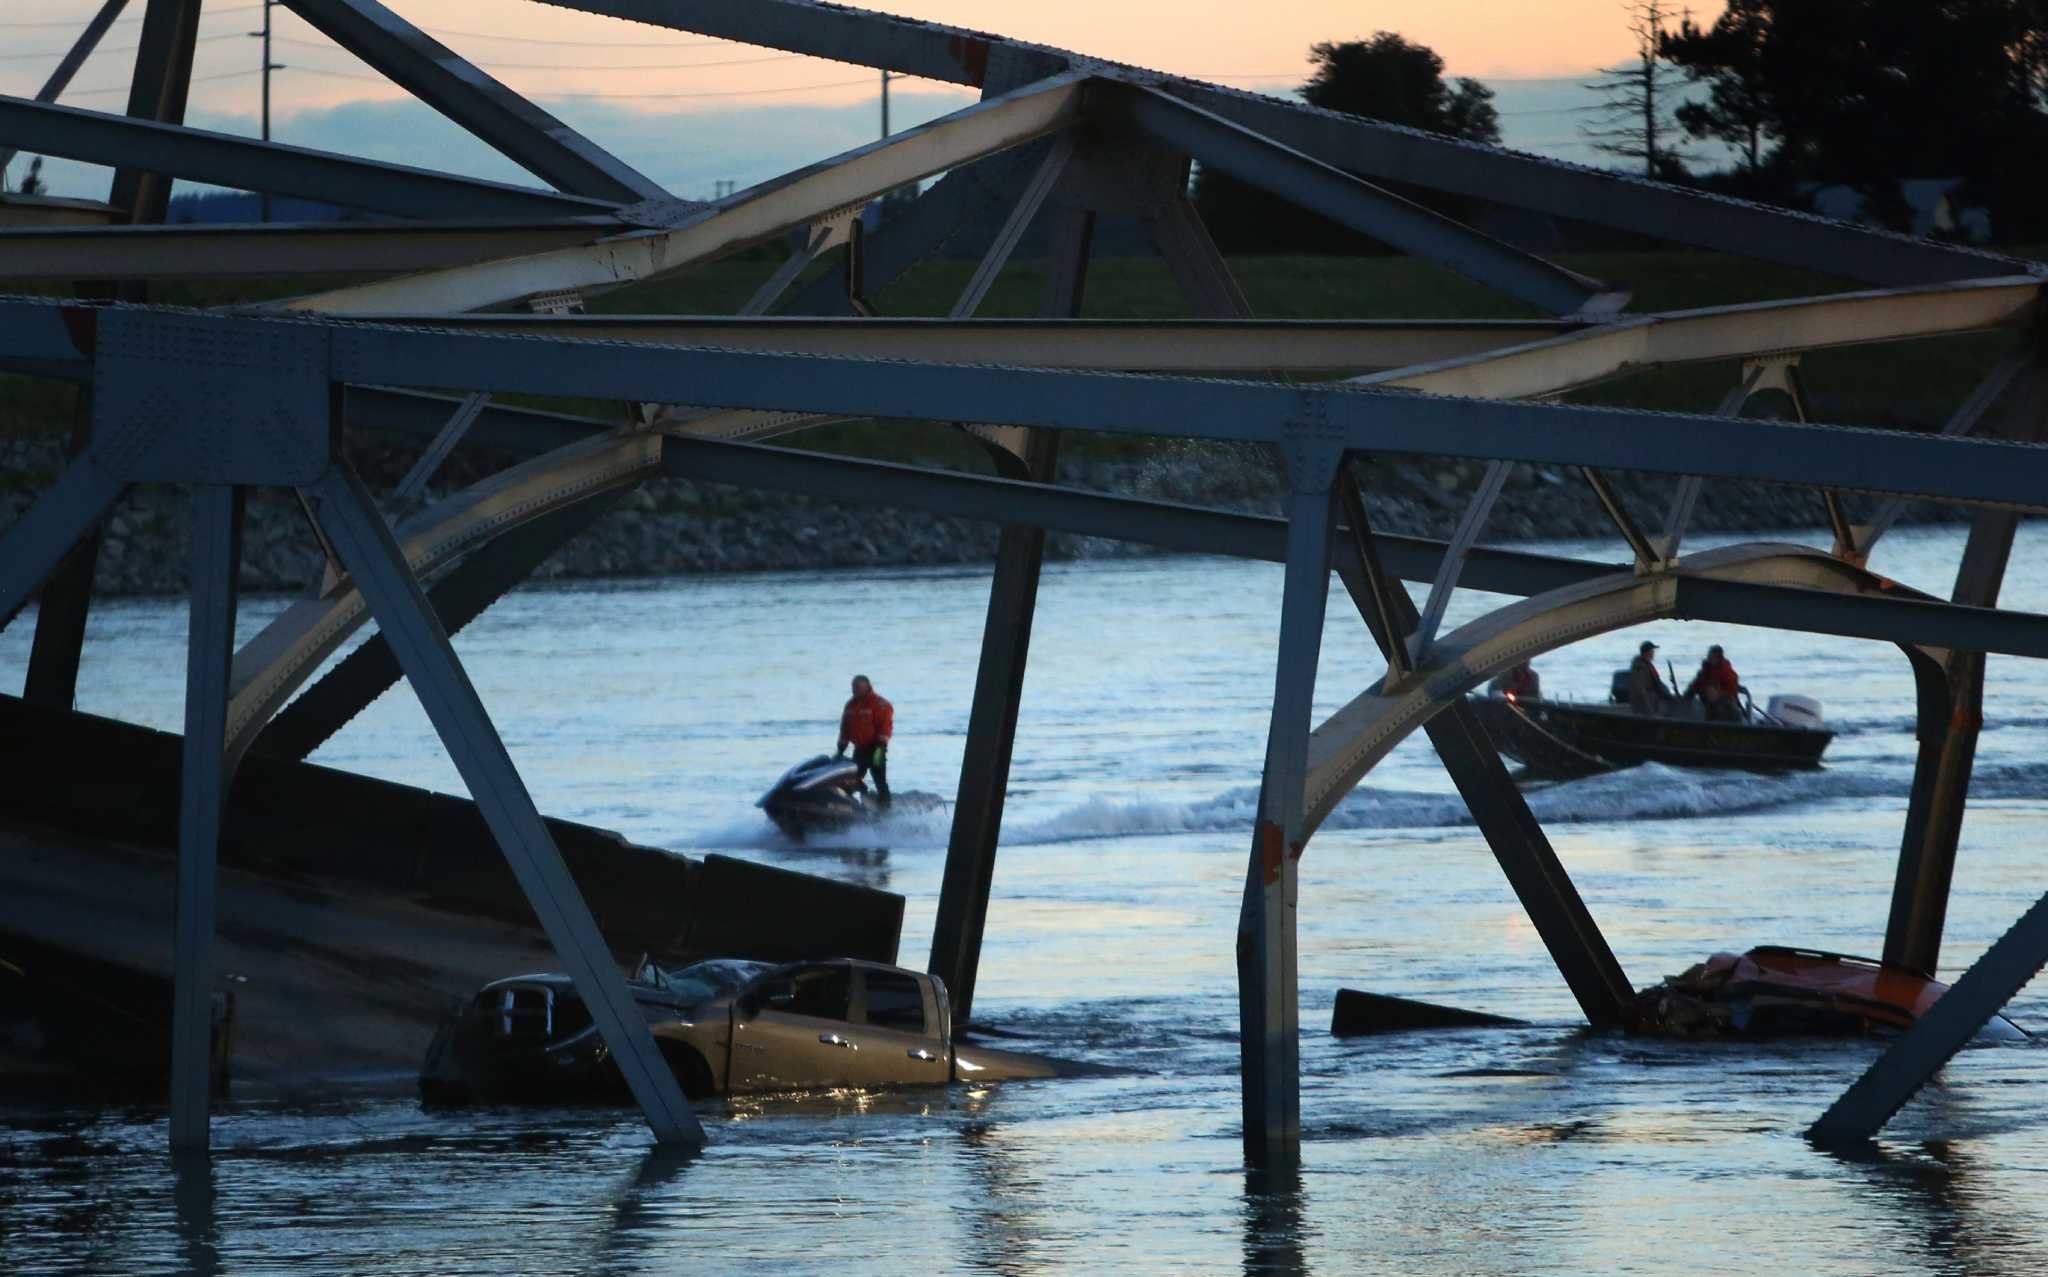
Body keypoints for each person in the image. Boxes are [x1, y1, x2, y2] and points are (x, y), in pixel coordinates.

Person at [835, 674, 893, 808]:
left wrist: (880, 748)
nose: (854, 690)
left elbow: (885, 728)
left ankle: (885, 809)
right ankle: (858, 801)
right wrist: (840, 750)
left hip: (876, 748)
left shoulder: (880, 704)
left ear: (867, 687)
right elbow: (845, 730)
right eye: (853, 687)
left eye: (857, 687)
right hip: (859, 749)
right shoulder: (850, 705)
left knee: (880, 780)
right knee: (851, 779)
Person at [1686, 644, 1746, 722]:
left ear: (1718, 657)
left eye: (1711, 656)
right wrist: (1685, 697)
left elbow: (1732, 692)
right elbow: (1694, 687)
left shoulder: (1728, 673)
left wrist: (1719, 695)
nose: (1709, 658)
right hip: (1707, 704)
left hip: (1725, 705)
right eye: (1709, 656)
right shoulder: (1704, 672)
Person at [1628, 640, 1675, 716]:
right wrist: (1649, 710)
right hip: (1644, 704)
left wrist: (1668, 695)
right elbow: (1640, 689)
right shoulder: (1640, 667)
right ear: (1647, 653)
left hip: (1651, 699)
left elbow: (1658, 683)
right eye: (1652, 651)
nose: (1653, 653)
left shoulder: (1647, 665)